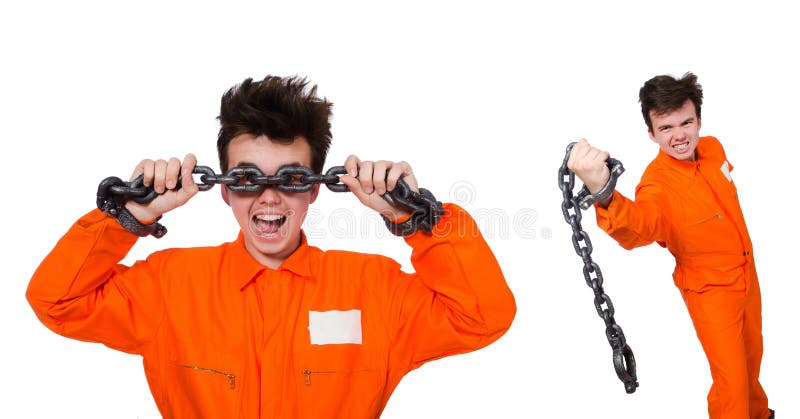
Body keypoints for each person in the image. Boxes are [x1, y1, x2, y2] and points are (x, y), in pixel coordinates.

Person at [26, 75, 516, 418]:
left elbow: (483, 317)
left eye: (291, 179)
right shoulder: (169, 286)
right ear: (223, 189)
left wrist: (417, 217)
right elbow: (56, 301)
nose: (268, 198)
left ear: (315, 188)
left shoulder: (376, 291)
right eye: (246, 179)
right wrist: (129, 215)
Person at [567, 72, 773, 419]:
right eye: (665, 128)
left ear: (699, 120)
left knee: (752, 361)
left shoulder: (713, 148)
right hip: (710, 290)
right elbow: (639, 227)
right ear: (651, 133)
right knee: (732, 380)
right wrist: (603, 192)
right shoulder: (657, 186)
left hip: (747, 275)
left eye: (686, 122)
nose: (679, 135)